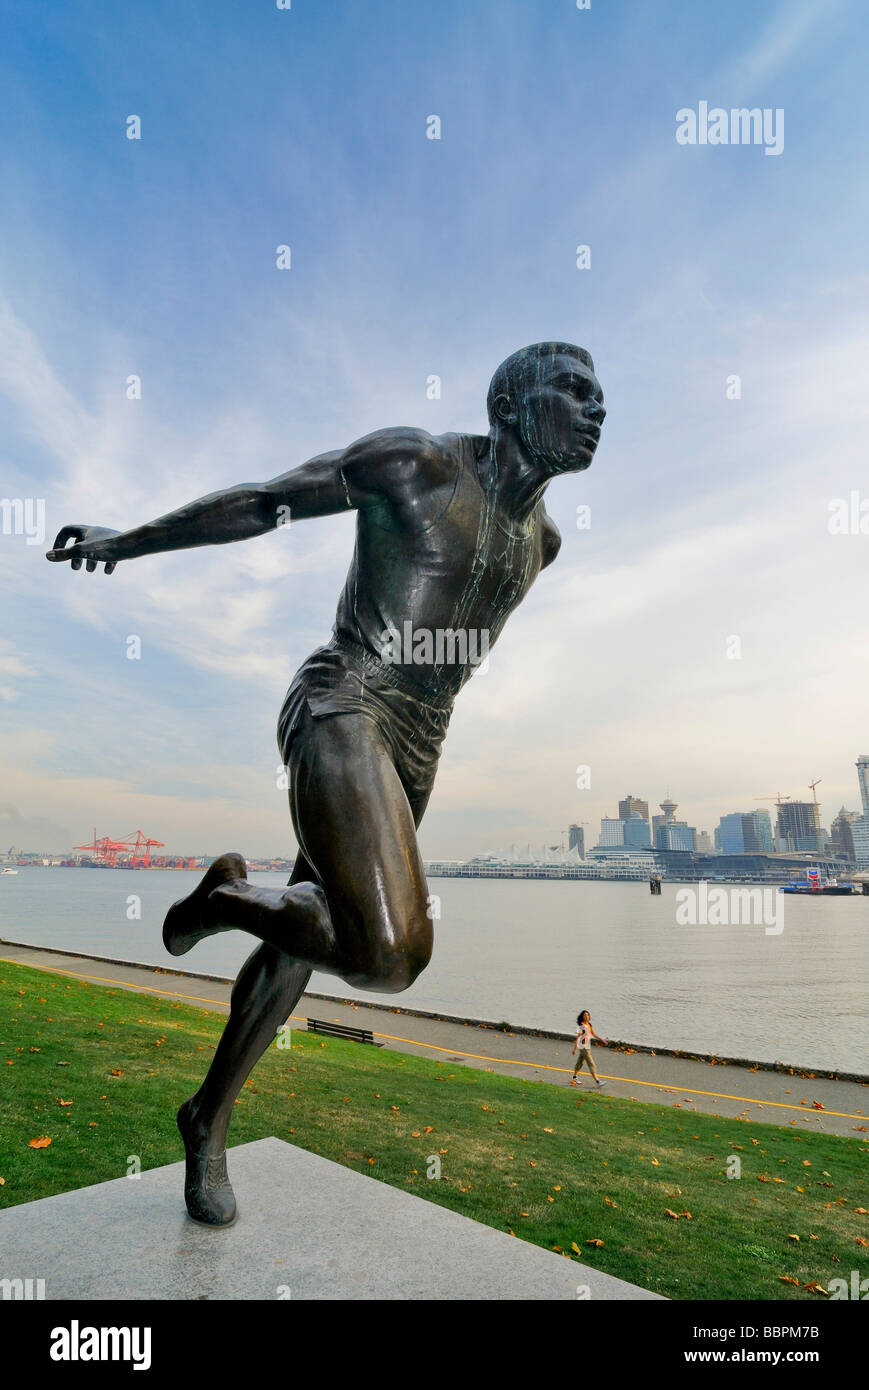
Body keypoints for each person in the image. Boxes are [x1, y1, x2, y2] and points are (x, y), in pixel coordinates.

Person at [47, 340, 606, 1225]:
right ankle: (227, 897)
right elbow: (266, 500)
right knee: (389, 953)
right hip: (342, 701)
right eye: (572, 391)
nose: (595, 408)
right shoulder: (414, 462)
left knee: (300, 948)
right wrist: (129, 542)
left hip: (419, 748)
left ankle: (206, 1121)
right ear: (510, 403)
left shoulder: (543, 543)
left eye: (598, 395)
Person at [571, 1009, 609, 1087]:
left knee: (580, 1062)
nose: (587, 1016)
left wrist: (602, 1040)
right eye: (585, 1015)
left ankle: (574, 1077)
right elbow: (578, 1038)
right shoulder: (581, 1027)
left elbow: (593, 1034)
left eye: (588, 1015)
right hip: (583, 1047)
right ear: (582, 1017)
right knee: (591, 1063)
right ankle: (597, 1081)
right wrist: (575, 1048)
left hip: (587, 1046)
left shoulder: (589, 1025)